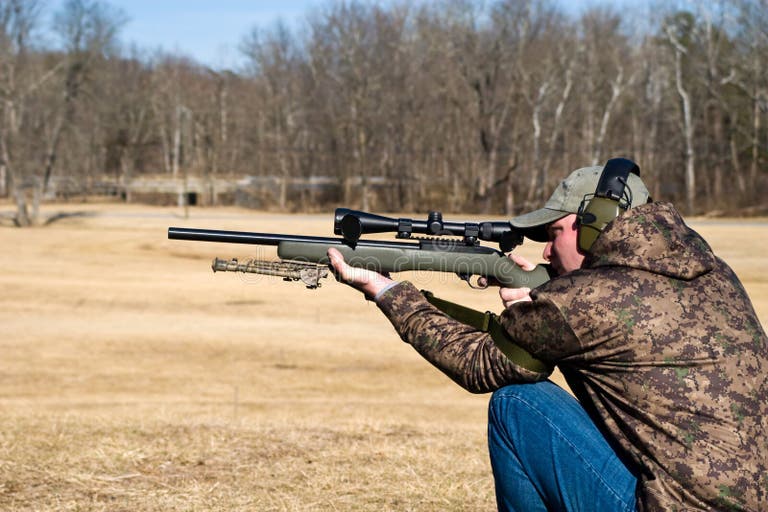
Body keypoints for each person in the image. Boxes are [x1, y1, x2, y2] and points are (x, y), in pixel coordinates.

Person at [327, 164, 768, 512]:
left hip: (674, 505)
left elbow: (479, 365)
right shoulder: (712, 272)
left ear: (593, 224)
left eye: (554, 233)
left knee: (516, 405)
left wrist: (385, 291)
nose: (544, 251)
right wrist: (541, 302)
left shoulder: (589, 300)